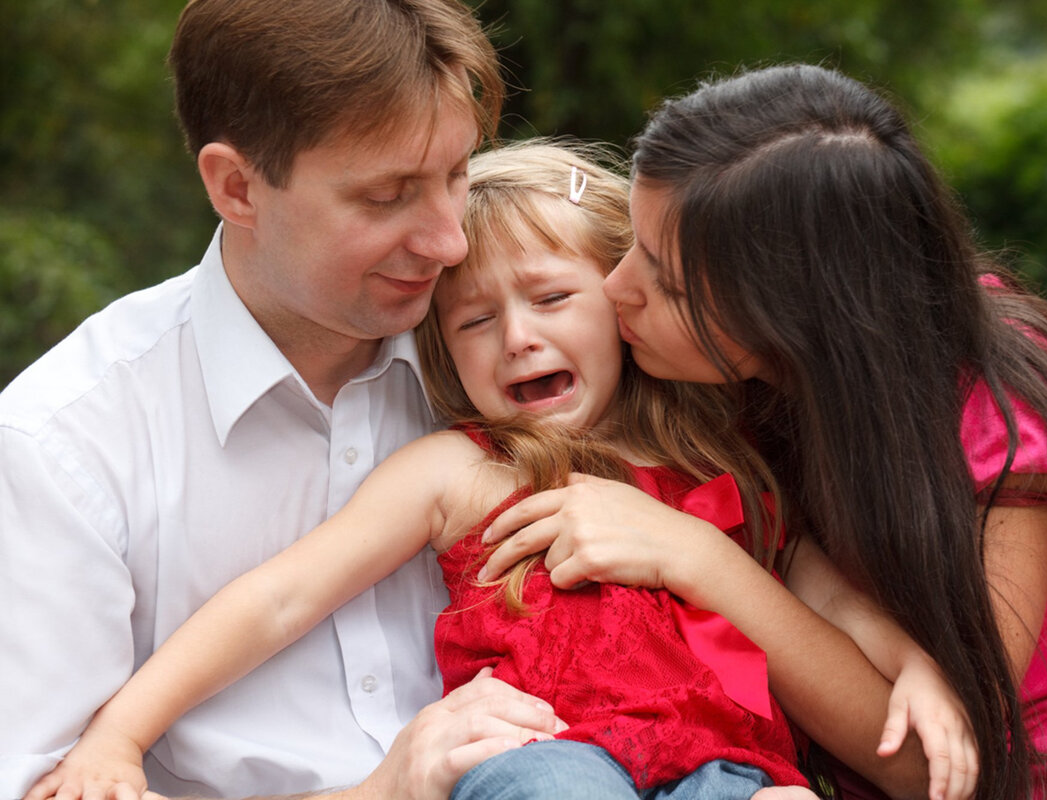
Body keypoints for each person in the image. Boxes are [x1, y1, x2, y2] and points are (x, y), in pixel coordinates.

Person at [22, 141, 977, 800]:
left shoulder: (721, 465)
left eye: (553, 298)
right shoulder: (466, 470)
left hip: (723, 762)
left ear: (621, 298)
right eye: (474, 321)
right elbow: (279, 598)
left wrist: (916, 669)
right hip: (541, 750)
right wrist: (120, 734)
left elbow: (831, 605)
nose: (519, 339)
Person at [477, 64, 1047, 800]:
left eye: (667, 282)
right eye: (632, 242)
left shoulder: (998, 403)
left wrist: (695, 555)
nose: (615, 285)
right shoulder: (723, 381)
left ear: (792, 317)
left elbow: (941, 769)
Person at [0, 2, 572, 799]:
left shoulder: (522, 362)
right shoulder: (63, 442)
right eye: (386, 197)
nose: (450, 241)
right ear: (237, 187)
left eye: (456, 175)